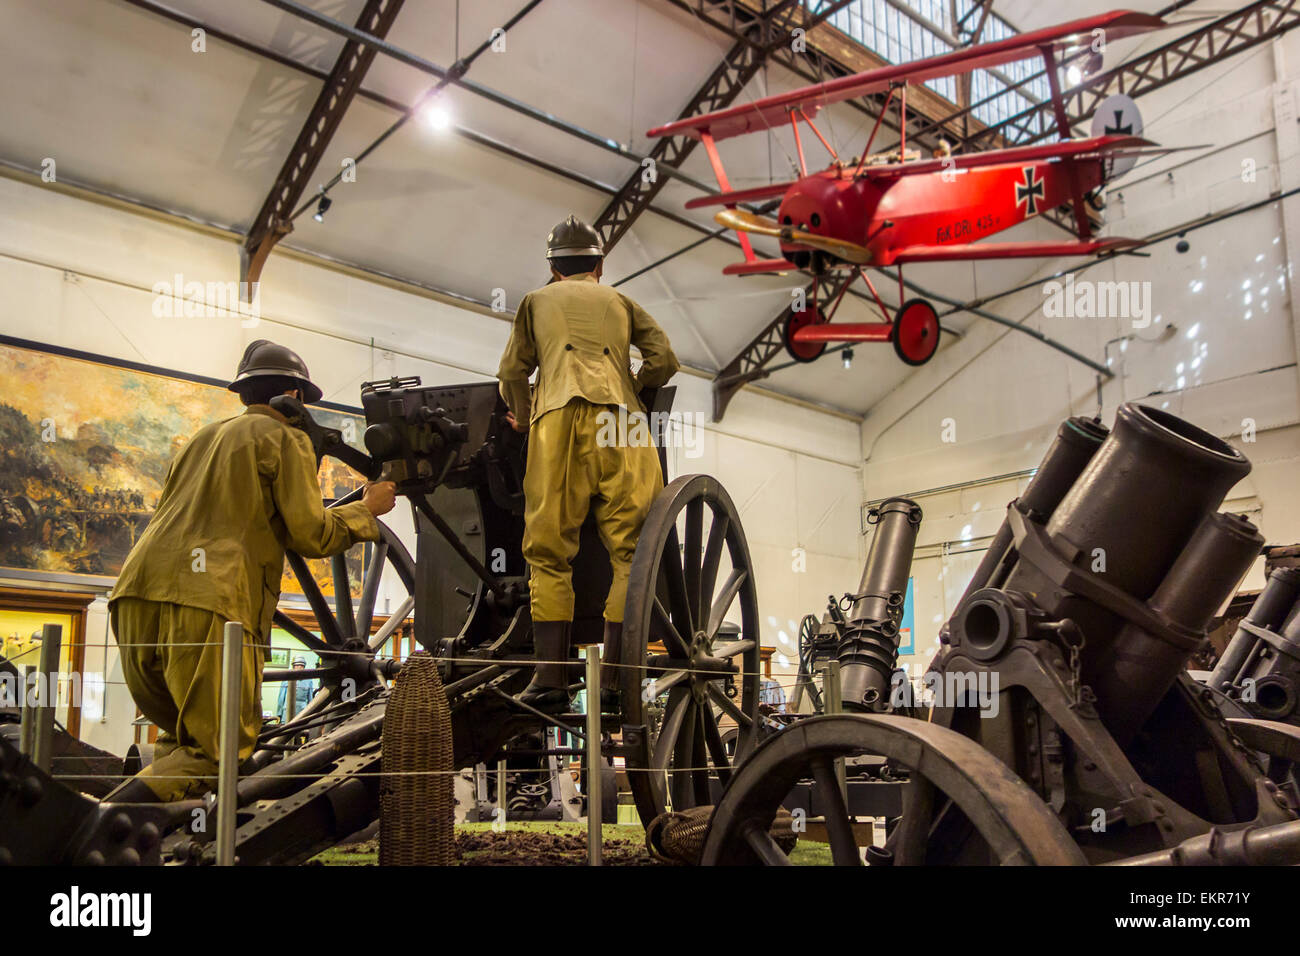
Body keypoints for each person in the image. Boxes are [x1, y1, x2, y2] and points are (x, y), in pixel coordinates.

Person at [105, 340, 397, 801]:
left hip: (135, 594)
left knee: (182, 741)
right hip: (210, 601)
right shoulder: (285, 439)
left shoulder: (202, 437)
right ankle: (92, 831)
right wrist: (367, 510)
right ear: (297, 397)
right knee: (214, 754)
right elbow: (311, 534)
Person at [497, 214, 679, 712]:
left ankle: (551, 678)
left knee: (549, 552)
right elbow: (662, 357)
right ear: (600, 263)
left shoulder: (536, 301)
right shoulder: (620, 301)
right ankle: (617, 679)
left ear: (554, 268)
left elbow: (513, 370)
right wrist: (632, 388)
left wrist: (524, 413)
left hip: (556, 421)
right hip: (622, 425)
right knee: (631, 554)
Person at [276, 657, 316, 722]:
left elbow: (310, 699)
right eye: (297, 665)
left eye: (302, 665)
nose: (299, 667)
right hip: (287, 711)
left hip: (302, 711)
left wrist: (310, 713)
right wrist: (279, 714)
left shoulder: (308, 680)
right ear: (293, 667)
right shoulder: (287, 679)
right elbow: (281, 698)